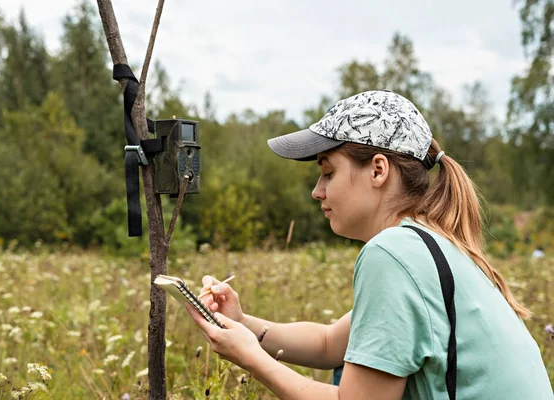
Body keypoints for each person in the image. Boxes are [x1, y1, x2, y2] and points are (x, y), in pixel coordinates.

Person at [184, 90, 553, 399]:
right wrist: (243, 323)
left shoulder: (393, 253)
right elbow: (330, 344)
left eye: (328, 172)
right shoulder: (433, 243)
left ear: (378, 170)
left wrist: (251, 358)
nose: (317, 191)